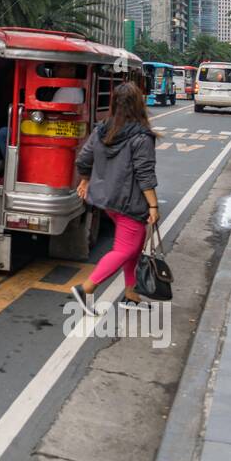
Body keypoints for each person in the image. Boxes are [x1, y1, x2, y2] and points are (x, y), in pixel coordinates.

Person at [70, 81, 159, 315]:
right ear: (139, 104)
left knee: (134, 246)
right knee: (125, 249)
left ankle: (131, 296)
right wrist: (153, 205)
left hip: (108, 201)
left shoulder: (102, 130)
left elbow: (83, 158)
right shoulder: (142, 137)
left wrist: (85, 180)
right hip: (130, 202)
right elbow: (144, 174)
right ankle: (86, 288)